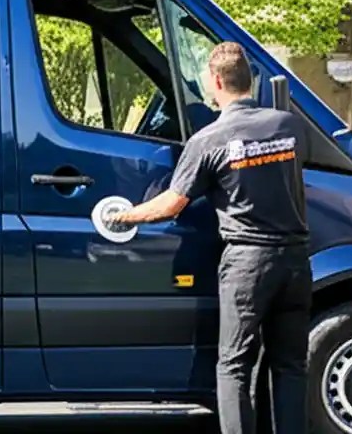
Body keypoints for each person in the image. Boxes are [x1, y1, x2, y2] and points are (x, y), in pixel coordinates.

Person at [107, 41, 310, 434]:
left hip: (249, 264)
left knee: (234, 365)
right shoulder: (289, 126)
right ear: (250, 81)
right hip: (296, 261)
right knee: (290, 366)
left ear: (216, 82)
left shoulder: (209, 140)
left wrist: (124, 215)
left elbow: (171, 205)